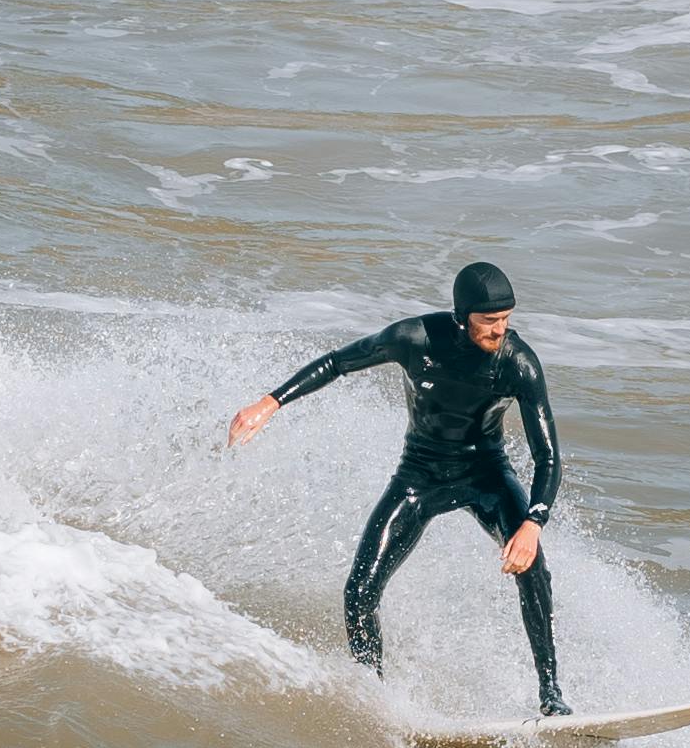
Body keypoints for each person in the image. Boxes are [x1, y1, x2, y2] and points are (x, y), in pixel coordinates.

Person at [229, 259, 570, 715]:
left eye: (507, 321)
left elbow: (547, 455)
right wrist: (270, 402)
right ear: (461, 317)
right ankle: (374, 694)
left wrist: (533, 522)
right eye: (489, 322)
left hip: (485, 472)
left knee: (532, 568)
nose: (499, 331)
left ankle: (551, 694)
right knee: (359, 592)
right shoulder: (414, 339)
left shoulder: (518, 364)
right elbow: (337, 363)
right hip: (420, 475)